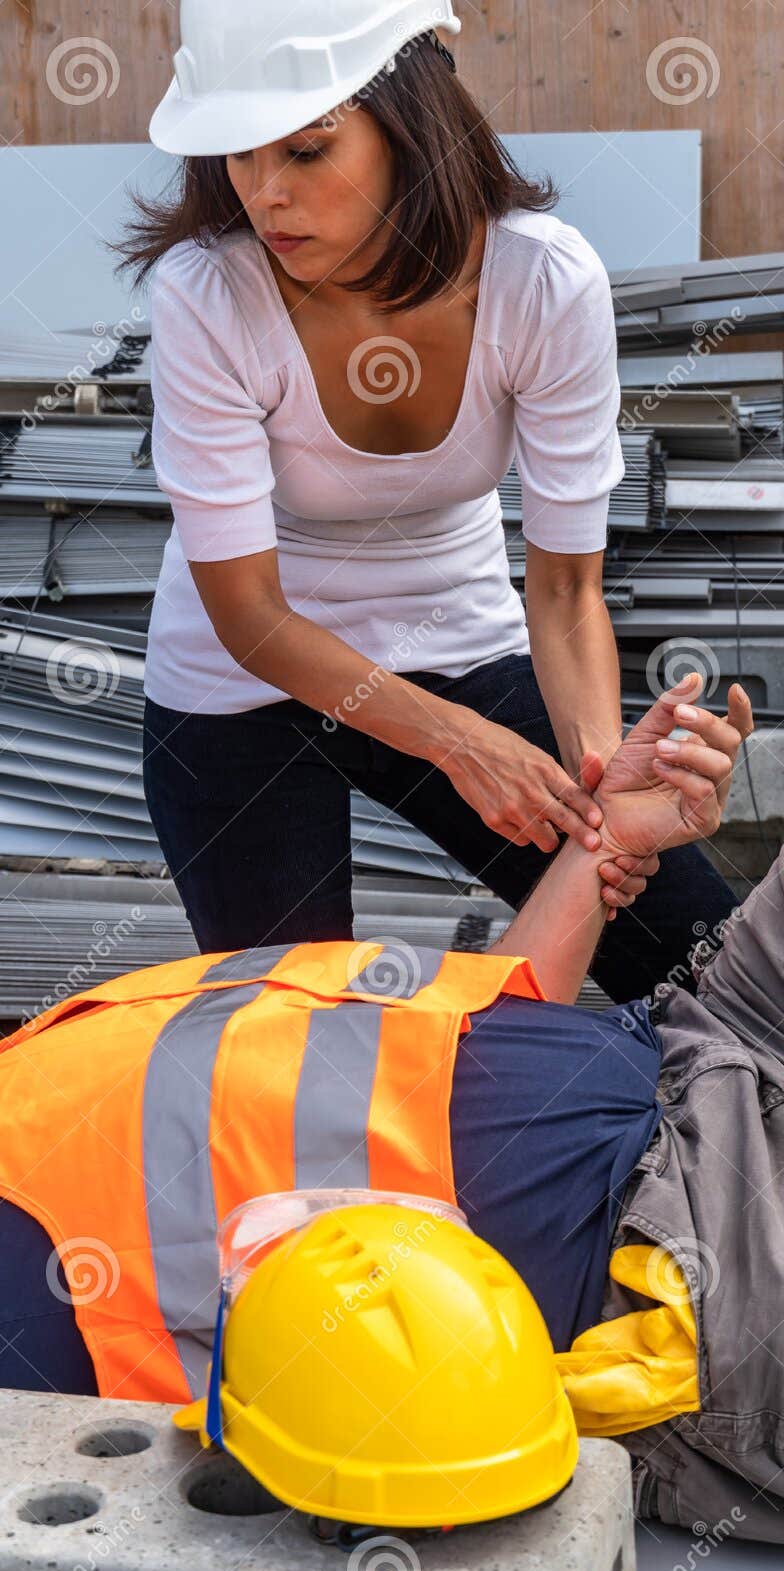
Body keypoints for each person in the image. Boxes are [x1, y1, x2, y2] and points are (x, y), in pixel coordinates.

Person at [3, 611, 784, 1571]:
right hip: (678, 1261)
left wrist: (604, 837)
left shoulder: (43, 1057)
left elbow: (435, 1053)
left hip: (698, 1043)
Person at [113, 0, 739, 1004]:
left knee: (707, 968)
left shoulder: (542, 281)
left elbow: (567, 588)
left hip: (457, 643)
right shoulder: (205, 294)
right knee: (291, 1043)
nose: (266, 195)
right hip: (243, 688)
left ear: (410, 124)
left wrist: (597, 784)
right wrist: (452, 741)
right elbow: (248, 614)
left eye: (307, 151)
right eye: (238, 156)